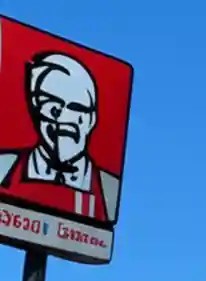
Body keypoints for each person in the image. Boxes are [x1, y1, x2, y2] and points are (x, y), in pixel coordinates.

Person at [0, 51, 121, 223]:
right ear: (35, 109)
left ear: (91, 119)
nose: (65, 119)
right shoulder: (4, 168)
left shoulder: (108, 190)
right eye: (53, 107)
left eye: (77, 108)